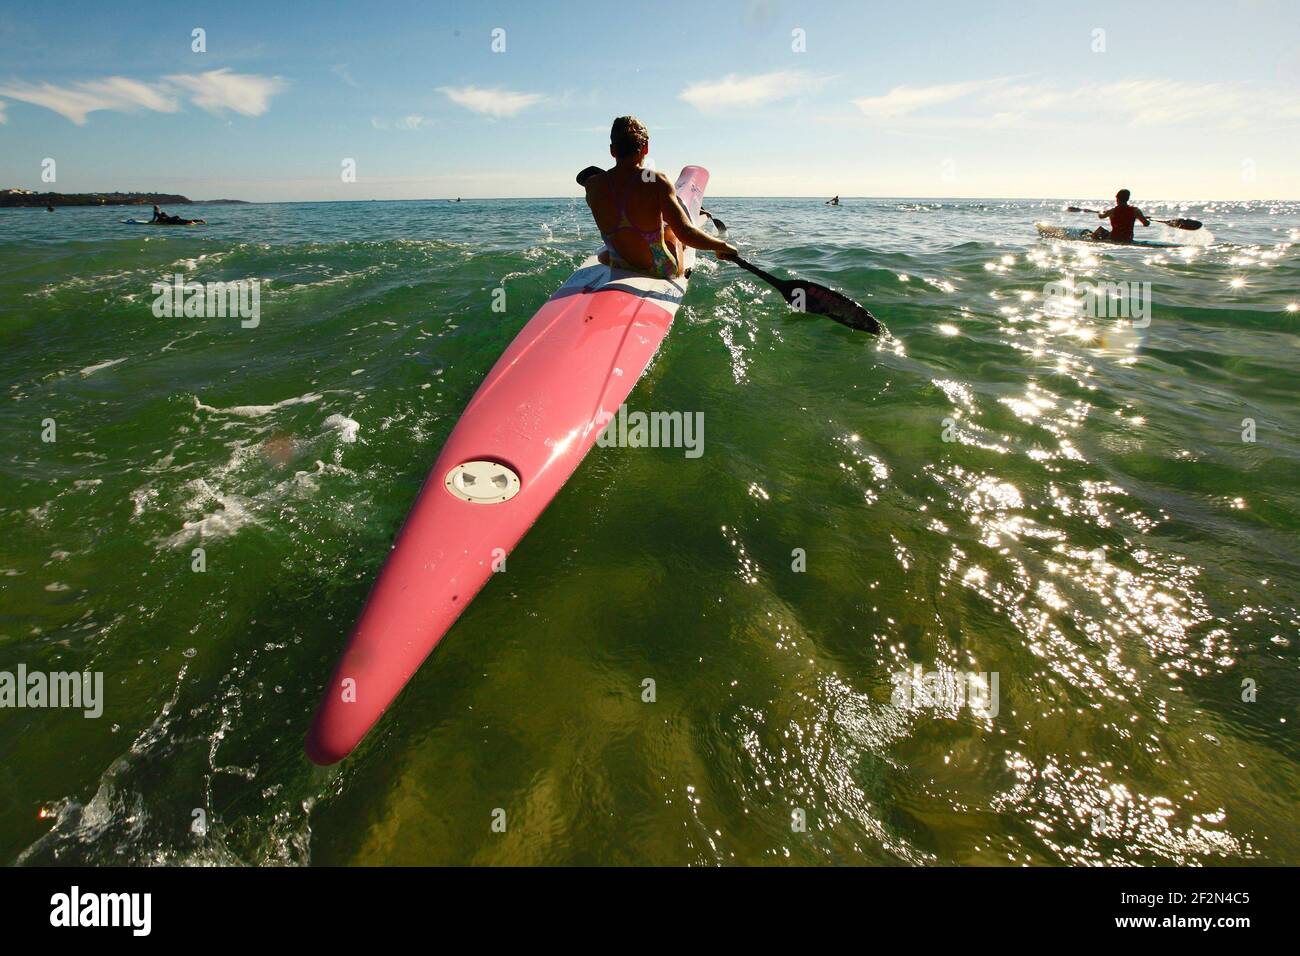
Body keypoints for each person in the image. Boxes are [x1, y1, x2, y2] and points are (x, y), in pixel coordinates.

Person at [582, 116, 735, 278]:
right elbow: (687, 234)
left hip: (617, 263)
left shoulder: (592, 186)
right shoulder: (657, 181)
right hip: (661, 269)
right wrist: (722, 246)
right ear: (645, 148)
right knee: (673, 232)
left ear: (612, 150)